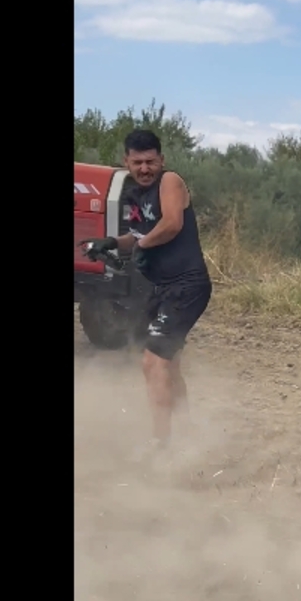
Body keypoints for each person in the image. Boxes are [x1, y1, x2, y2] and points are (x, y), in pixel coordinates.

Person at [112, 128, 212, 448]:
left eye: (150, 161)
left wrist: (141, 246)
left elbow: (171, 224)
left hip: (187, 285)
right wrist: (111, 244)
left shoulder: (170, 182)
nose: (144, 168)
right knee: (169, 365)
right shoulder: (134, 197)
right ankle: (186, 431)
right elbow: (137, 236)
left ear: (161, 160)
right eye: (137, 162)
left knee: (153, 362)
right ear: (126, 161)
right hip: (163, 289)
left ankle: (161, 446)